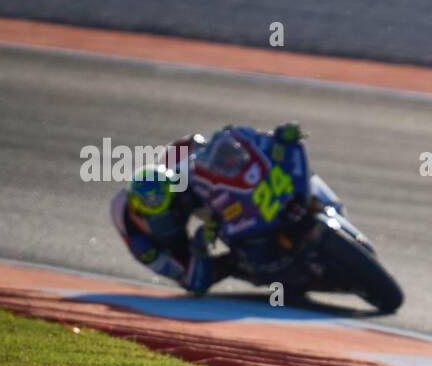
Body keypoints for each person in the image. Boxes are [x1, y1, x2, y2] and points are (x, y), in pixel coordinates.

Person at [109, 123, 305, 293]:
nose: (169, 221)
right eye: (162, 219)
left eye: (170, 213)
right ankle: (248, 264)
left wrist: (269, 140)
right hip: (178, 245)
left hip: (191, 193)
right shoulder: (142, 245)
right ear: (138, 217)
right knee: (213, 271)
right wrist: (199, 247)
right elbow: (193, 283)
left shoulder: (177, 164)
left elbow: (218, 145)